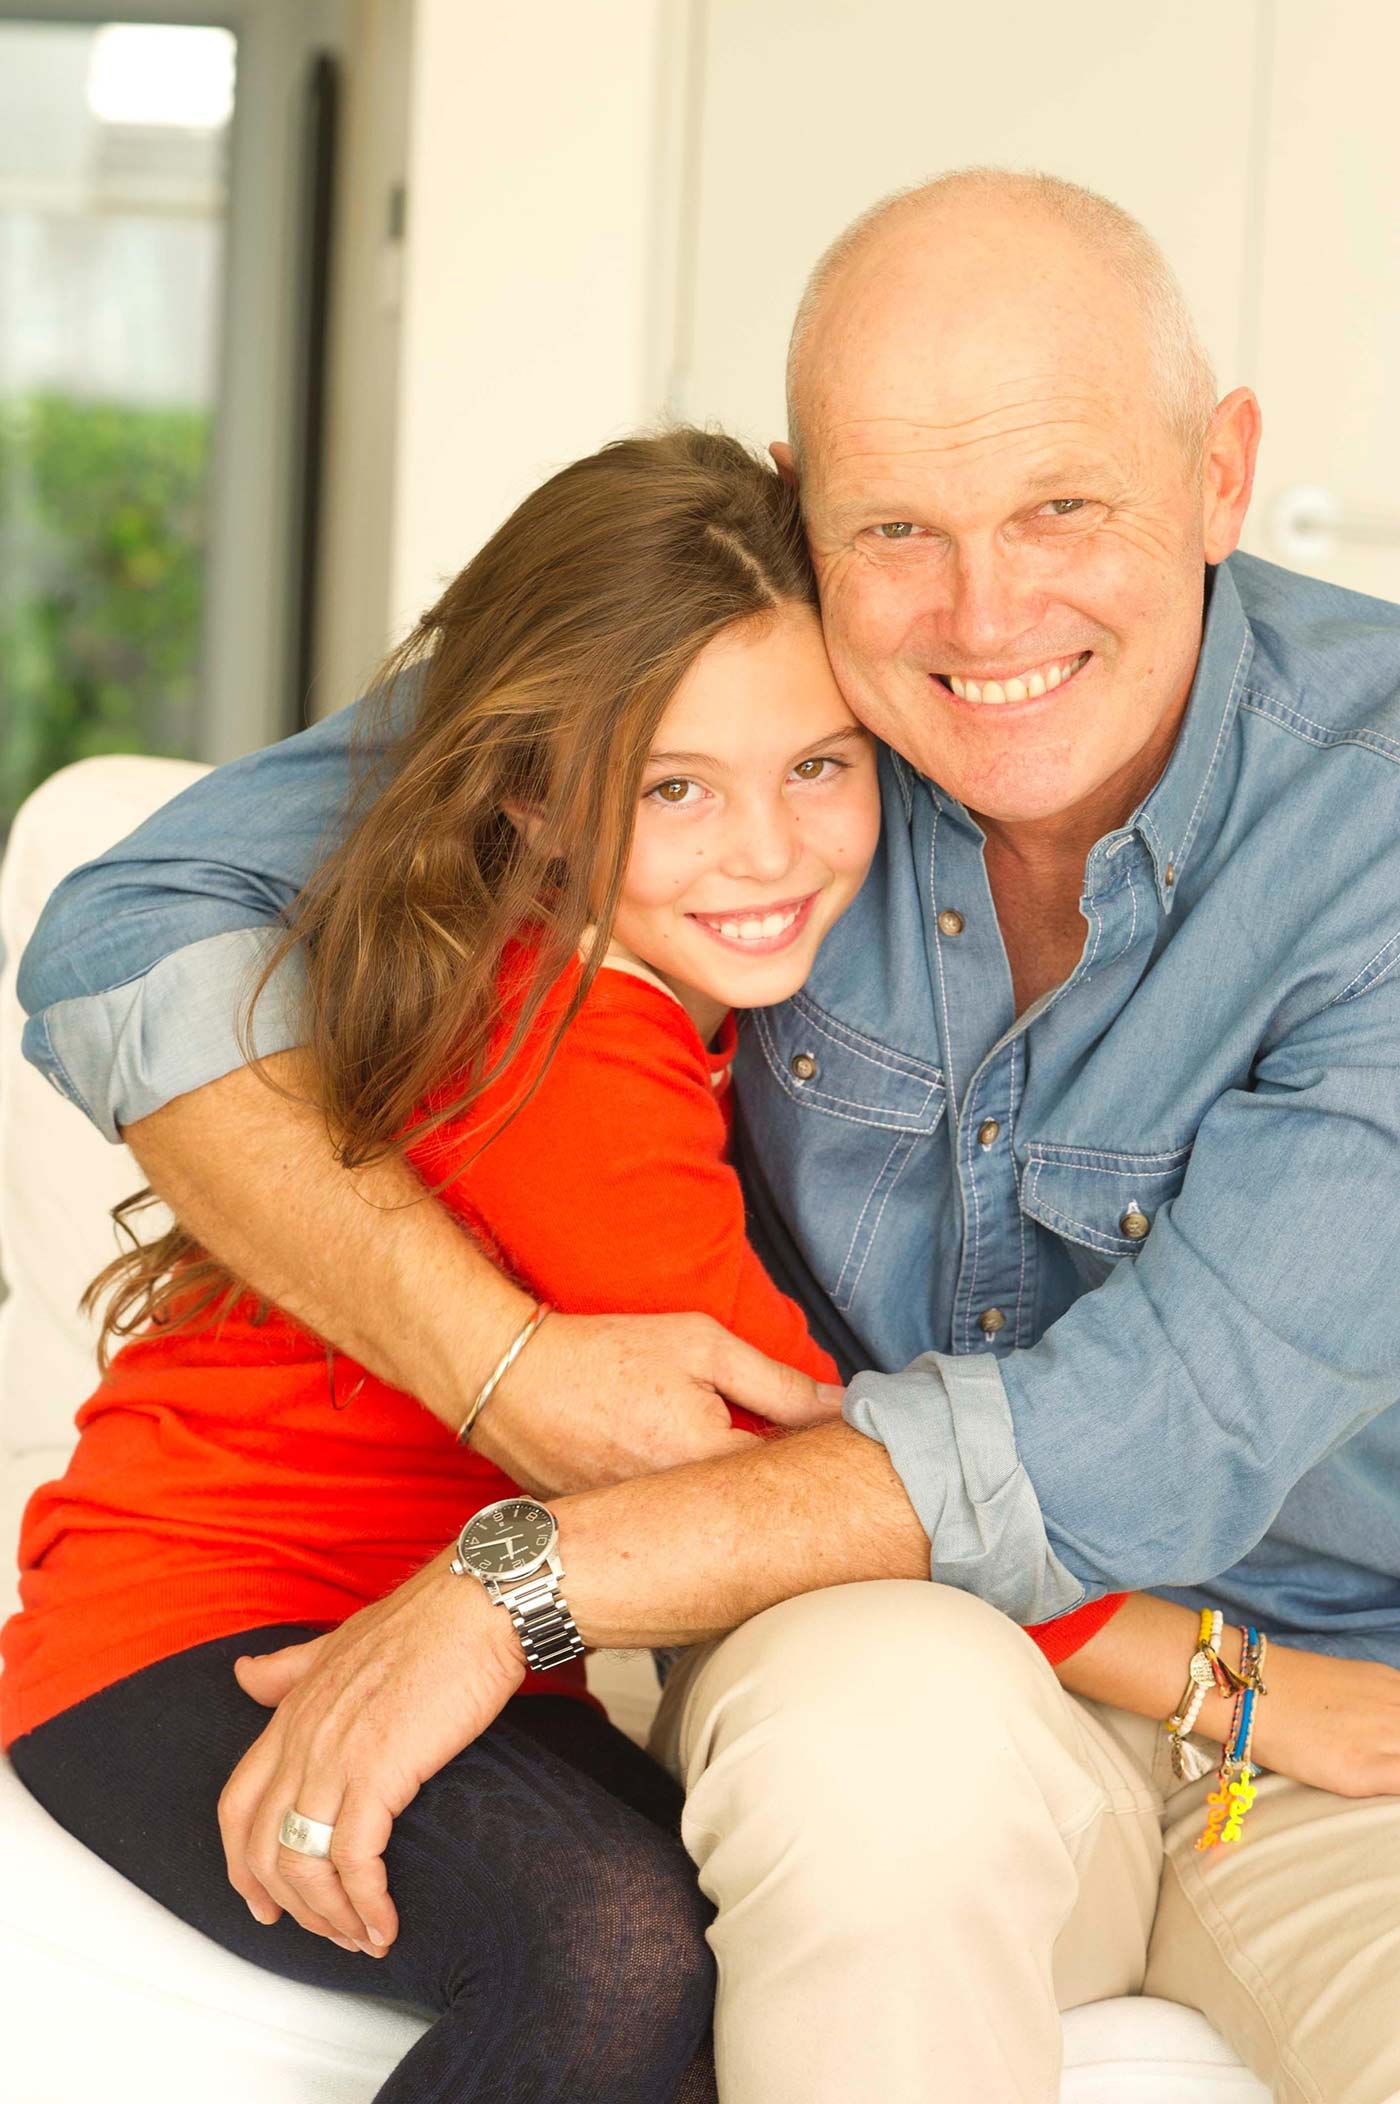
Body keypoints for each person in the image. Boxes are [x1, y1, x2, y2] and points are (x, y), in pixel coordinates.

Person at [16, 168, 1400, 2102]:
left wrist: (516, 1576)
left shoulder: (1363, 811)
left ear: (1225, 472)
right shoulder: (689, 753)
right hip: (369, 1623)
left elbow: (1127, 1437)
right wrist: (503, 1380)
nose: (983, 612)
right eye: (898, 526)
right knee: (657, 1923)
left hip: (1292, 1685)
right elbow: (116, 929)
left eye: (1064, 505)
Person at [4, 427, 890, 2103]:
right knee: (612, 1955)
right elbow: (831, 1466)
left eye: (820, 768)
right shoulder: (572, 1036)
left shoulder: (675, 1019)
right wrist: (1242, 1689)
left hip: (450, 1642)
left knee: (741, 1947)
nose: (765, 850)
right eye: (676, 786)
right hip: (191, 1640)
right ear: (533, 798)